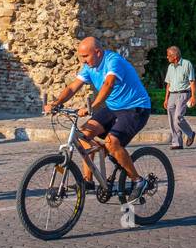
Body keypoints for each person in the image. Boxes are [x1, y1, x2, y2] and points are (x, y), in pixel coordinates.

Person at [43, 37, 151, 200]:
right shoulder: (89, 67)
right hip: (113, 108)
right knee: (84, 135)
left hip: (136, 108)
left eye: (85, 56)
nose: (83, 60)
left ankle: (138, 180)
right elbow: (72, 87)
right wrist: (56, 103)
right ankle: (88, 181)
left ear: (98, 52)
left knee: (112, 142)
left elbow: (108, 84)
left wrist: (91, 106)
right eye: (81, 57)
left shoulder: (113, 61)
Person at [162, 46, 196, 149]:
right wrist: (166, 98)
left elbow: (192, 81)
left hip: (183, 94)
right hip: (172, 94)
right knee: (172, 120)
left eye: (168, 56)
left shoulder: (187, 64)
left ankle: (190, 134)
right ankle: (177, 143)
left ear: (175, 56)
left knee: (178, 117)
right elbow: (168, 84)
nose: (167, 57)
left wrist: (193, 96)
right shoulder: (170, 67)